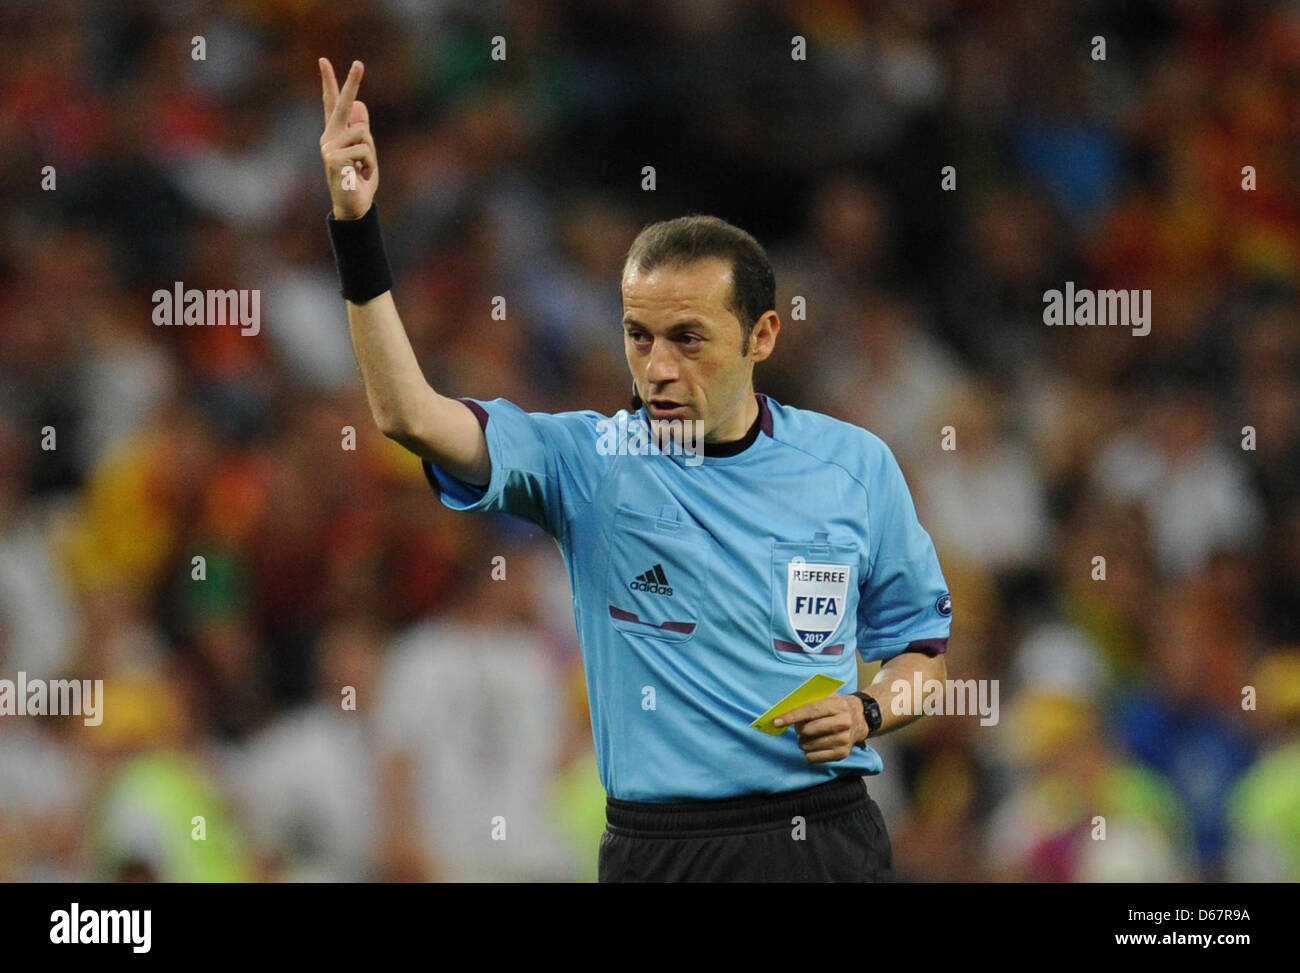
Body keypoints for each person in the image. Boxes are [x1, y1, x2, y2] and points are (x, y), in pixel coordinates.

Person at [318, 58, 953, 882]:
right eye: (637, 335)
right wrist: (355, 228)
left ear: (761, 336)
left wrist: (869, 708)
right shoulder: (588, 462)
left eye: (687, 337)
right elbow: (408, 412)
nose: (655, 366)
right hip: (660, 851)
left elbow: (923, 659)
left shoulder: (853, 464)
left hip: (819, 837)